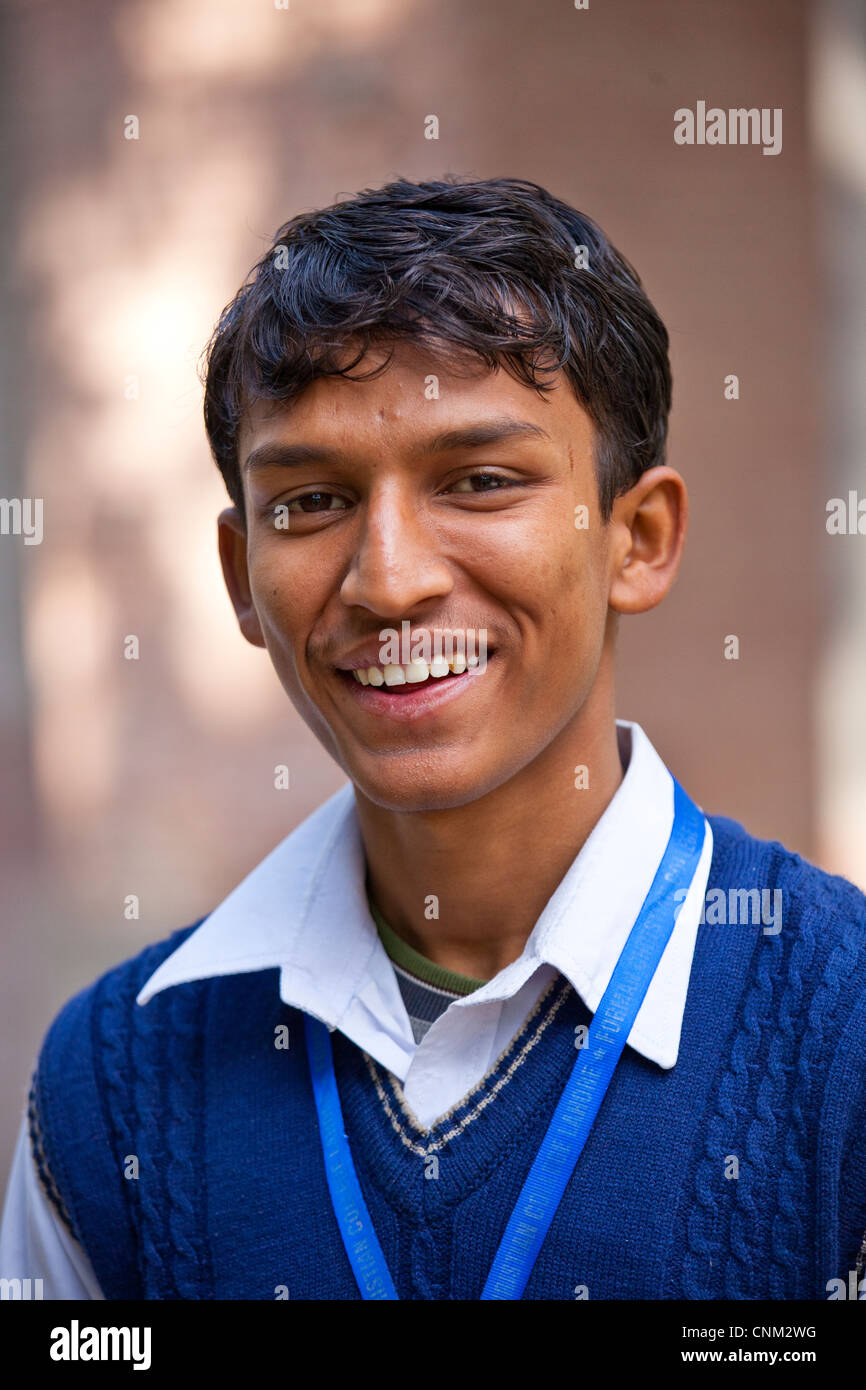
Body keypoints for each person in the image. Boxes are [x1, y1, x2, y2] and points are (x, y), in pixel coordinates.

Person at [2, 175, 865, 1301]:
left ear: (636, 539)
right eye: (309, 501)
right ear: (241, 580)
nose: (390, 581)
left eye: (479, 480)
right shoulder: (116, 1080)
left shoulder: (836, 1037)